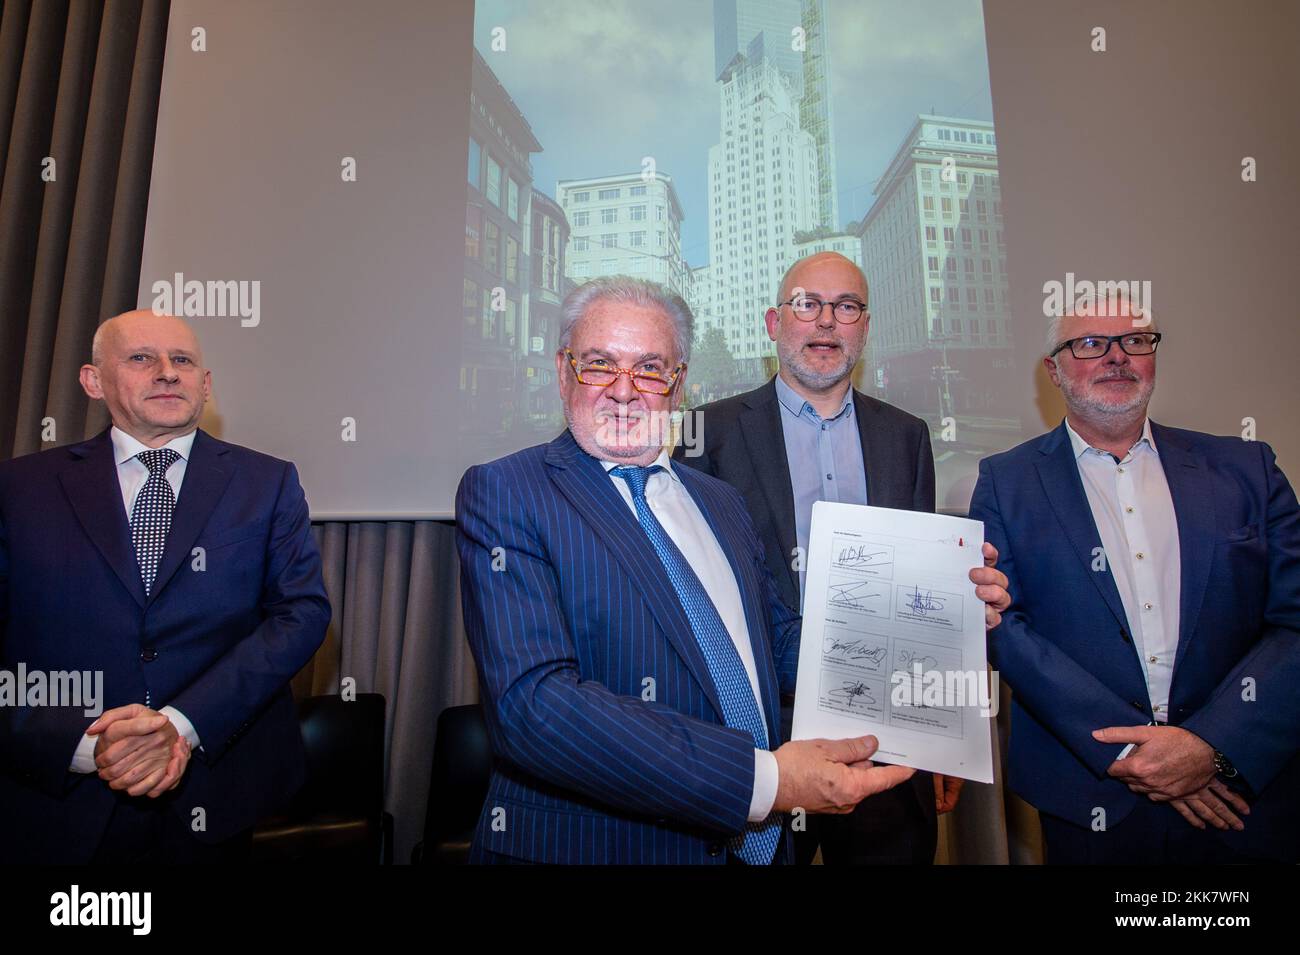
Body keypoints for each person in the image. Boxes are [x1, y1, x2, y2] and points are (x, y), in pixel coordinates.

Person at [455, 276, 1008, 864]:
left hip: (750, 854)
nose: (623, 391)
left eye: (649, 368)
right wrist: (766, 782)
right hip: (603, 847)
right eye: (598, 365)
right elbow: (534, 708)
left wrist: (941, 623)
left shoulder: (718, 502)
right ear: (564, 373)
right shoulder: (507, 491)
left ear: (677, 383)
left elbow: (781, 643)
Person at [968, 292, 1300, 863]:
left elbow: (1292, 621)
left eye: (1135, 341)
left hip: (1241, 792)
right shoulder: (1006, 481)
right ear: (1054, 368)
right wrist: (1133, 754)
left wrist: (1211, 746)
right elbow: (1003, 626)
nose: (1116, 357)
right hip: (1092, 797)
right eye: (1091, 344)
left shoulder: (1246, 468)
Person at [0, 310, 330, 863]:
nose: (167, 372)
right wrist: (83, 745)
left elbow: (300, 615)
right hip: (54, 797)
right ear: (93, 380)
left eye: (182, 360)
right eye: (140, 358)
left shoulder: (267, 483)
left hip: (214, 792)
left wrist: (179, 727)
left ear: (206, 384)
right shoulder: (18, 488)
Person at [682, 252, 969, 865]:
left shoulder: (907, 436)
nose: (826, 322)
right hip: (755, 741)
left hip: (884, 740)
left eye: (846, 307)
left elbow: (918, 594)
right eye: (807, 304)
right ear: (773, 322)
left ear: (864, 328)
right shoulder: (706, 432)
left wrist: (943, 733)